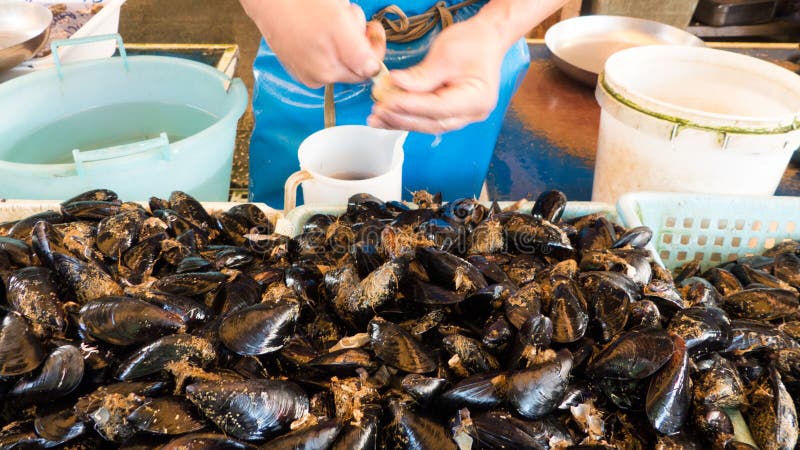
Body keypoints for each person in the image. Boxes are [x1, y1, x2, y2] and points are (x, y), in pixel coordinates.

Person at [240, 0, 567, 208]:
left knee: (445, 234)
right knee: (282, 237)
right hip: (308, 33)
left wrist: (496, 28)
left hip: (476, 42)